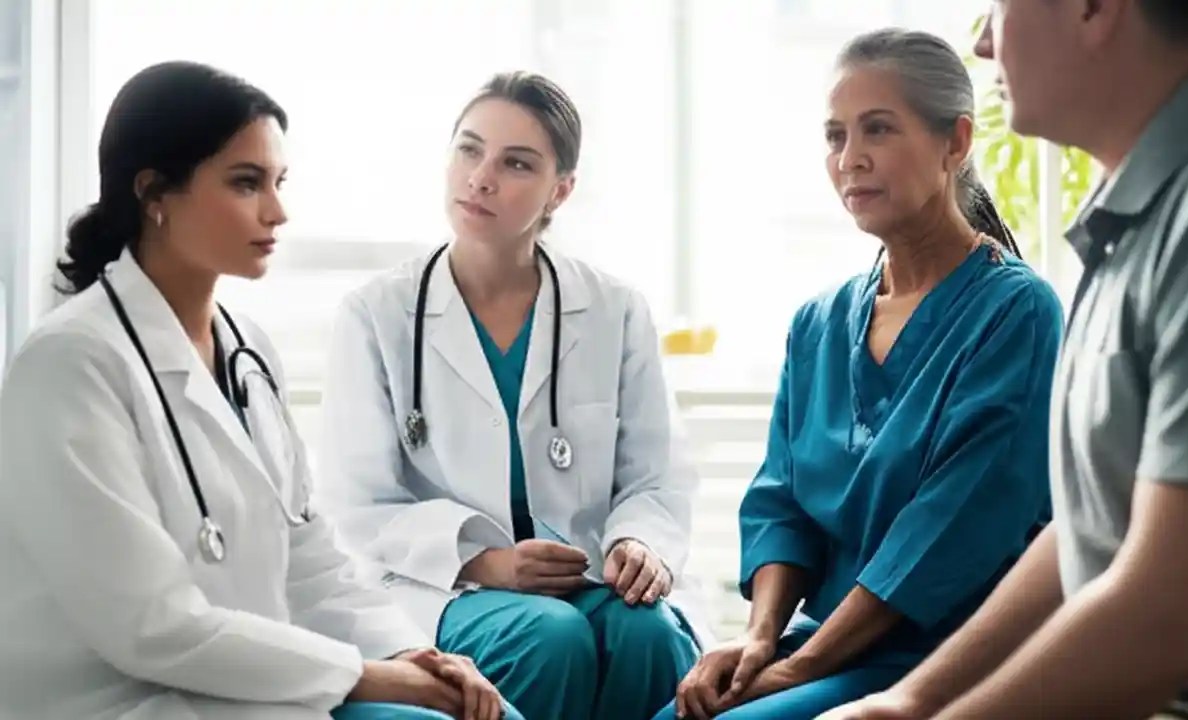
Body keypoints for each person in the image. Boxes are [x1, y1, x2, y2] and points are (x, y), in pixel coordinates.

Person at [0, 61, 518, 720]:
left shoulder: (246, 350)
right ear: (154, 193)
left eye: (278, 182)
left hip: (255, 689)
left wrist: (414, 657)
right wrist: (367, 678)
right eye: (246, 184)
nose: (277, 211)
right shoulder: (71, 364)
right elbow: (151, 626)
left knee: (482, 709)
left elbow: (308, 559)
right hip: (130, 704)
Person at [822, 3, 1188, 720]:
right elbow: (1092, 526)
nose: (980, 40)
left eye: (1001, 7)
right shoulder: (1137, 215)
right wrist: (910, 702)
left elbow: (1174, 613)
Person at [653, 29, 1063, 720]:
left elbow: (952, 529)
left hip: (947, 655)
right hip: (826, 645)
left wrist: (796, 671)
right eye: (835, 136)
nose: (851, 159)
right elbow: (781, 500)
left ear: (955, 142)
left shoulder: (1016, 313)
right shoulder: (819, 322)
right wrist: (757, 641)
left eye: (878, 129)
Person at [317, 71, 707, 720]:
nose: (481, 177)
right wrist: (489, 562)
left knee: (651, 634)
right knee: (548, 639)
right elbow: (355, 503)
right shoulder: (376, 314)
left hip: (589, 573)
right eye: (469, 150)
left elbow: (656, 475)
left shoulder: (614, 311)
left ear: (561, 191)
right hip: (446, 584)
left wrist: (639, 544)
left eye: (515, 163)